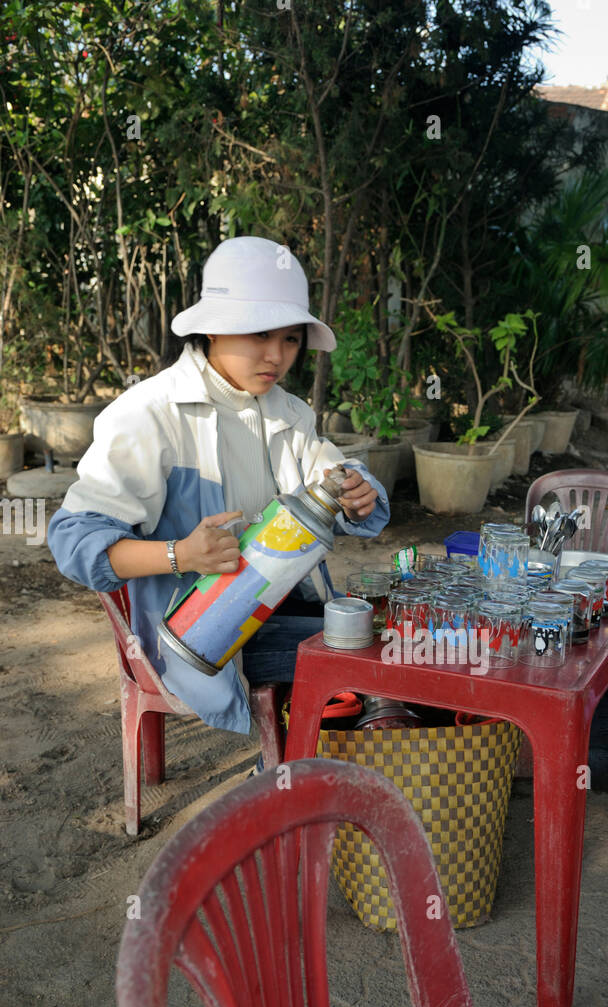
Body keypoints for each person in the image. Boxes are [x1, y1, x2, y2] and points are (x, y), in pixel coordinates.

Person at [48, 236, 390, 738]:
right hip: (194, 636)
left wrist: (358, 493)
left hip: (280, 611)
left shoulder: (288, 414)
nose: (276, 356)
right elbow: (74, 542)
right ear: (211, 329)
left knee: (382, 643)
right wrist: (180, 555)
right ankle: (282, 785)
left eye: (291, 339)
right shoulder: (151, 414)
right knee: (371, 658)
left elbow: (335, 476)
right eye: (259, 334)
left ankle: (301, 775)